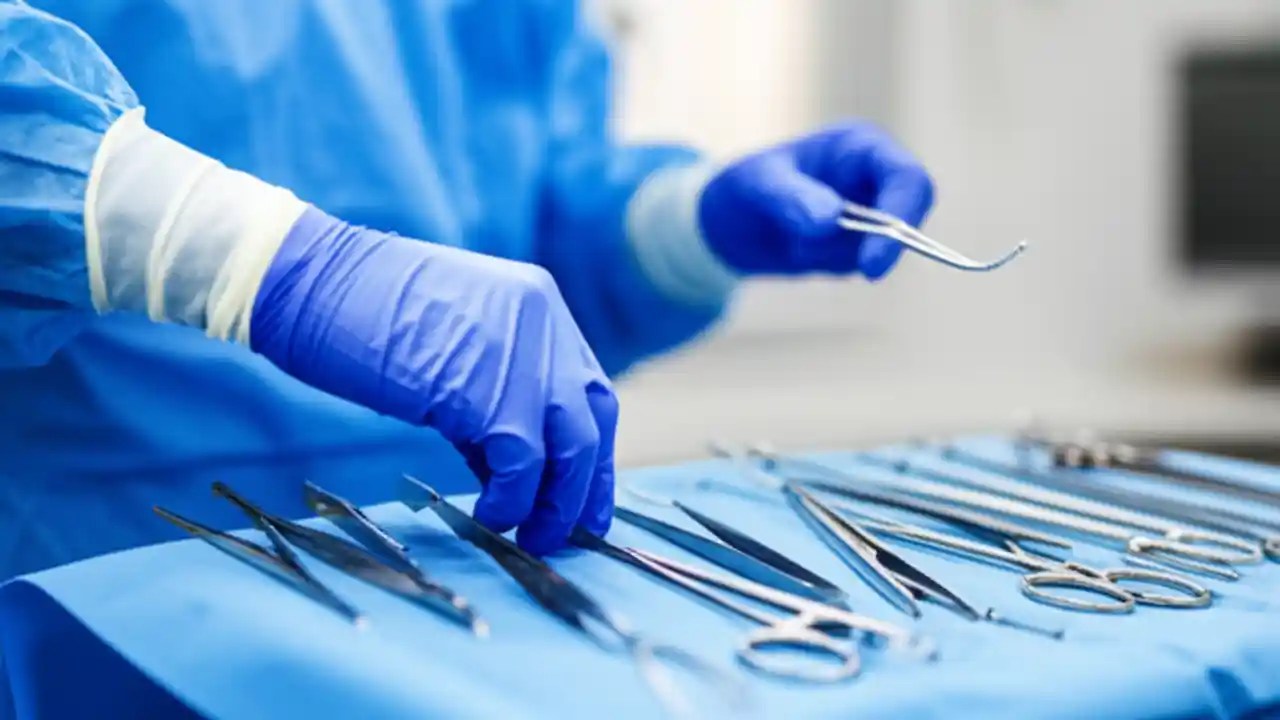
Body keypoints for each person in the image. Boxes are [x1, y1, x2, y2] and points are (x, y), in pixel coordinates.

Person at [0, 0, 934, 576]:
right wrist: (235, 257)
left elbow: (523, 248)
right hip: (112, 556)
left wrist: (689, 227)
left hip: (450, 540)